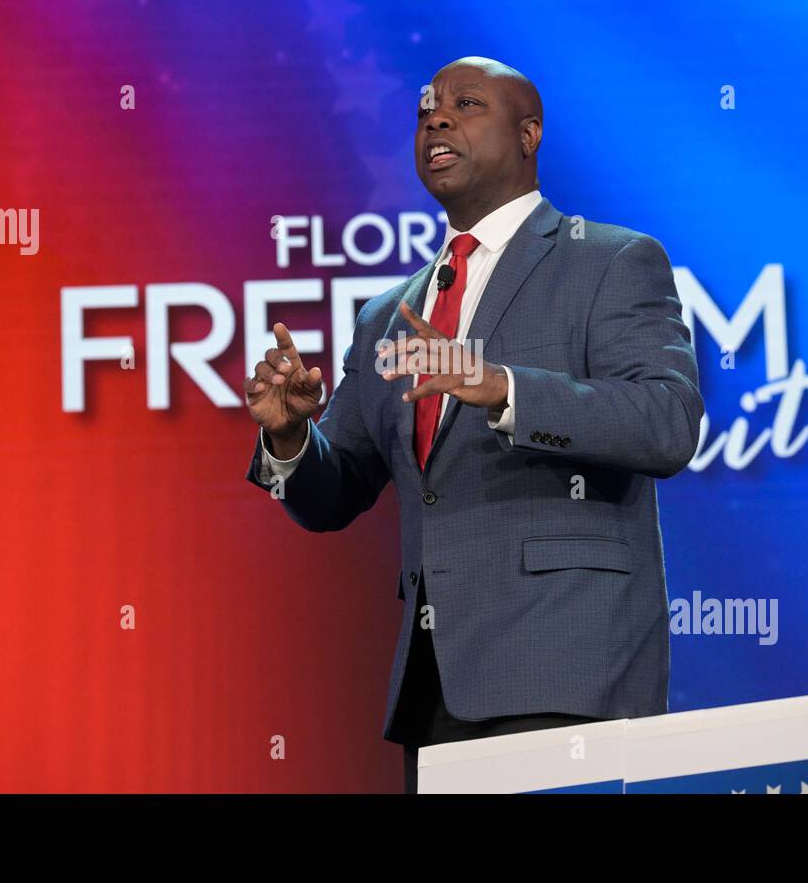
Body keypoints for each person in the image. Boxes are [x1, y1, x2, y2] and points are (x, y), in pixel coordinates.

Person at [245, 56, 703, 793]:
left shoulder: (611, 261)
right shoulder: (385, 316)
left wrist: (504, 389)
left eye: (466, 104)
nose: (437, 119)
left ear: (529, 135)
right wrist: (293, 439)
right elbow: (335, 495)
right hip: (435, 696)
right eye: (427, 108)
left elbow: (667, 421)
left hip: (566, 676)